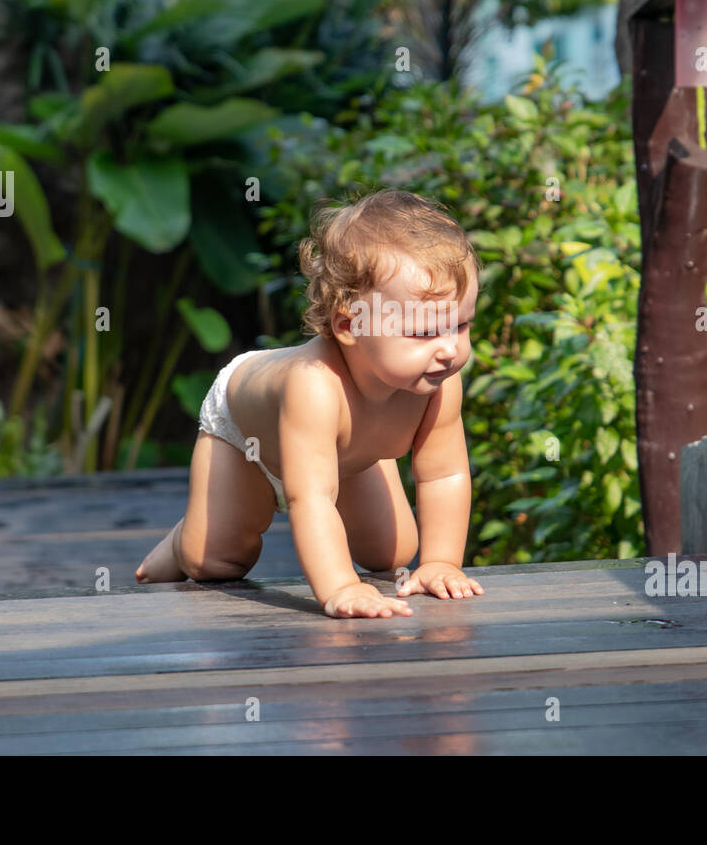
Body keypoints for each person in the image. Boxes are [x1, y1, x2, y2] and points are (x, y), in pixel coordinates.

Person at [136, 189, 486, 618]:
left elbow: (444, 474)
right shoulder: (314, 387)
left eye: (461, 325)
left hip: (343, 450)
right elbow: (312, 499)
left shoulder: (437, 381)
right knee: (215, 561)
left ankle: (351, 470)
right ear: (348, 325)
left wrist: (440, 563)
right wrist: (341, 587)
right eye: (423, 333)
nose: (449, 349)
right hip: (246, 431)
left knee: (393, 552)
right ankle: (180, 539)